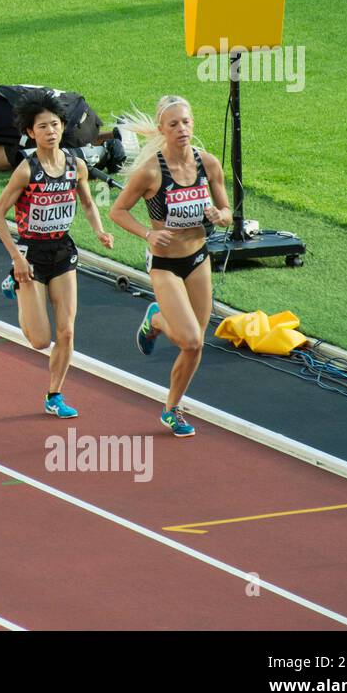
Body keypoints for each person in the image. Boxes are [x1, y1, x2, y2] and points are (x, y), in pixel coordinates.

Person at [109, 95, 233, 438]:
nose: (182, 129)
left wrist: (219, 216)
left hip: (197, 260)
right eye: (174, 124)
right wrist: (148, 233)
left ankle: (171, 408)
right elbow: (117, 211)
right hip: (164, 264)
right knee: (190, 340)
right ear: (162, 130)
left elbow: (227, 212)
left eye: (187, 122)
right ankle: (157, 318)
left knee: (196, 344)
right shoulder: (150, 172)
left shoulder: (208, 165)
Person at [0, 94, 114, 418]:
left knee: (67, 331)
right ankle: (14, 285)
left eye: (55, 125)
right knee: (40, 341)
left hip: (63, 251)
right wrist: (16, 258)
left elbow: (87, 203)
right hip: (30, 256)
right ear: (31, 132)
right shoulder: (26, 171)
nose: (50, 131)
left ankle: (54, 394)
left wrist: (99, 231)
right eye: (42, 127)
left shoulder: (77, 166)